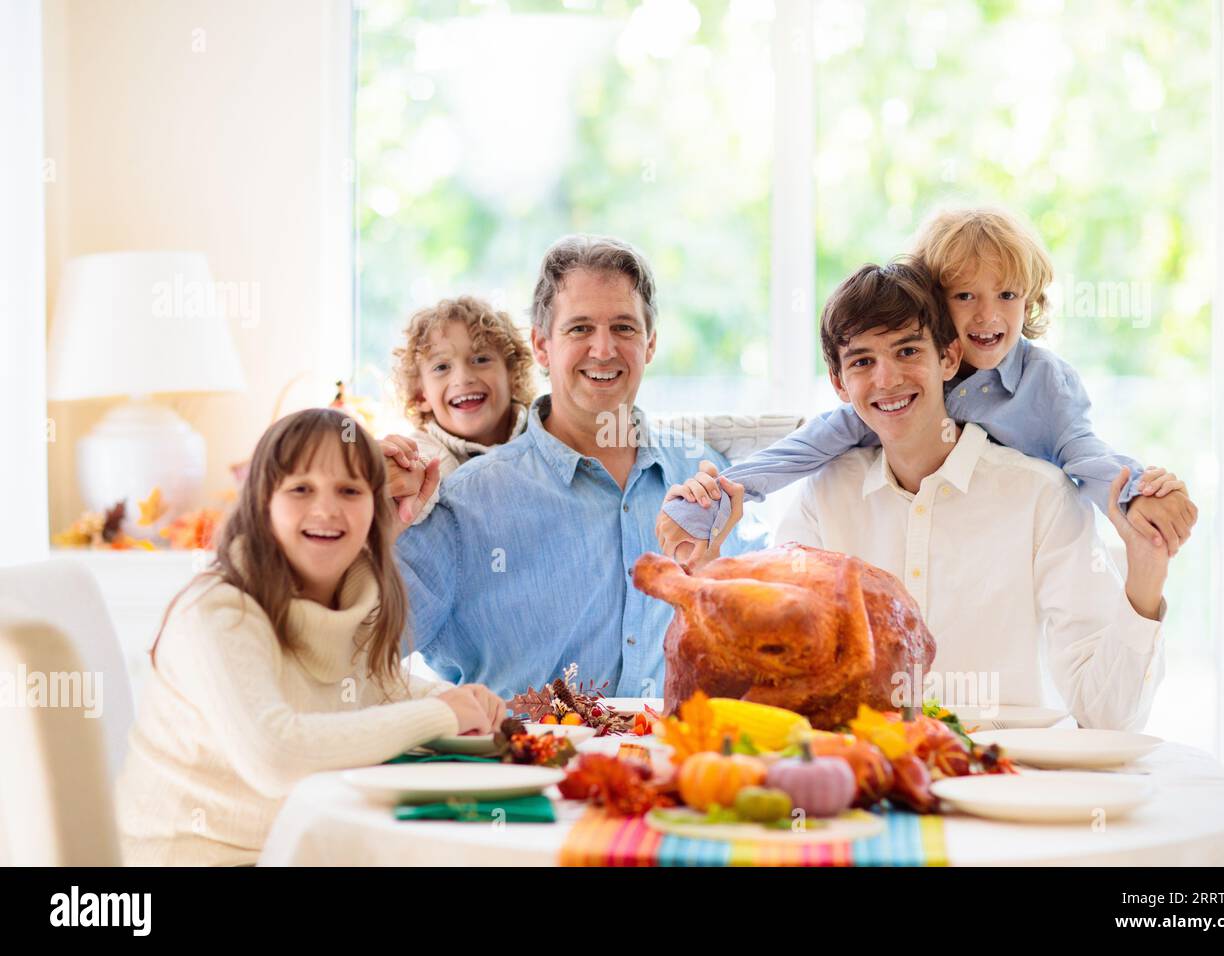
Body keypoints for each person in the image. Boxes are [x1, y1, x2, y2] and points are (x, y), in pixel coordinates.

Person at [678, 259, 1170, 731]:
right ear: (839, 383)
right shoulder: (826, 494)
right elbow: (769, 676)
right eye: (863, 361)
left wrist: (1145, 574)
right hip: (862, 787)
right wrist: (703, 570)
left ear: (949, 357)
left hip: (995, 784)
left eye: (908, 351)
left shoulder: (1040, 498)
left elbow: (1109, 718)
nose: (887, 379)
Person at [658, 205, 1197, 566]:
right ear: (934, 305)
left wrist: (1135, 490)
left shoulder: (1046, 381)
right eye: (965, 297)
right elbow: (810, 445)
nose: (989, 316)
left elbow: (1085, 454)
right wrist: (721, 494)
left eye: (1008, 295)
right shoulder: (901, 387)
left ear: (1028, 301)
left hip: (1019, 555)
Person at [115, 408, 504, 866]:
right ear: (262, 503)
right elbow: (276, 754)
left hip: (299, 847)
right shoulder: (219, 610)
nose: (326, 509)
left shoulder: (348, 595)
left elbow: (372, 691)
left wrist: (458, 701)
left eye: (349, 490)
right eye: (301, 489)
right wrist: (439, 714)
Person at [392, 234, 764, 701]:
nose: (604, 349)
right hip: (521, 770)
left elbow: (762, 653)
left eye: (625, 328)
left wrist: (711, 585)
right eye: (580, 329)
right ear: (542, 347)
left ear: (650, 344)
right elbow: (358, 653)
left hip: (678, 766)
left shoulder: (709, 480)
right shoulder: (463, 506)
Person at [385, 295, 537, 525]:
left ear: (512, 376)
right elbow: (420, 469)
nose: (463, 378)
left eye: (481, 359)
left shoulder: (543, 433)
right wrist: (408, 476)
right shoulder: (423, 452)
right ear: (420, 395)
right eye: (442, 367)